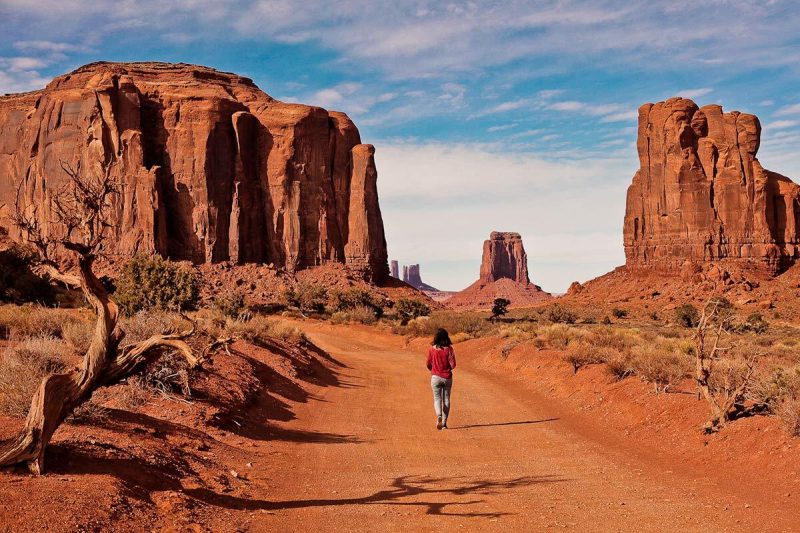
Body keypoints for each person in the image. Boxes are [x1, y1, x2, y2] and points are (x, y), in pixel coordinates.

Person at [426, 328, 456, 430]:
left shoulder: (432, 349)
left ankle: (439, 415)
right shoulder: (449, 349)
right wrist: (447, 368)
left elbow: (428, 364)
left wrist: (434, 370)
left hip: (435, 377)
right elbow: (453, 365)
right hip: (447, 377)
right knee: (446, 399)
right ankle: (444, 423)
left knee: (437, 398)